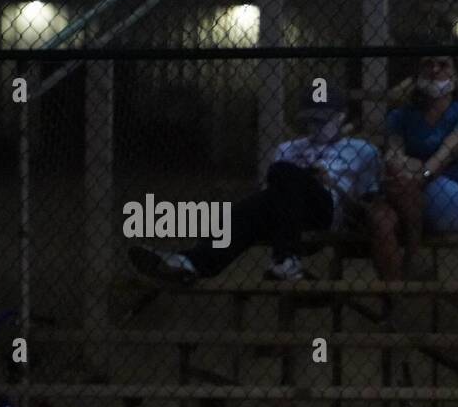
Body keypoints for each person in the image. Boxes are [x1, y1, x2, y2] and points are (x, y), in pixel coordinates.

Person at [129, 86, 382, 283]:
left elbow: (366, 205)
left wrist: (330, 185)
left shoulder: (362, 150)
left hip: (325, 209)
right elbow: (272, 192)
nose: (314, 127)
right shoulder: (289, 147)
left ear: (341, 117)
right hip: (284, 215)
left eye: (322, 120)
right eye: (310, 120)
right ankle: (192, 263)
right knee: (255, 202)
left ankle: (286, 260)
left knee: (283, 173)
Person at [369, 55, 458, 279]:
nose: (434, 70)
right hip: (406, 194)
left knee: (400, 185)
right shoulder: (401, 116)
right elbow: (393, 156)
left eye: (443, 65)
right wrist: (410, 170)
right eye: (427, 64)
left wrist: (420, 172)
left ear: (456, 76)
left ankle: (414, 256)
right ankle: (396, 296)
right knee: (380, 221)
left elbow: (445, 155)